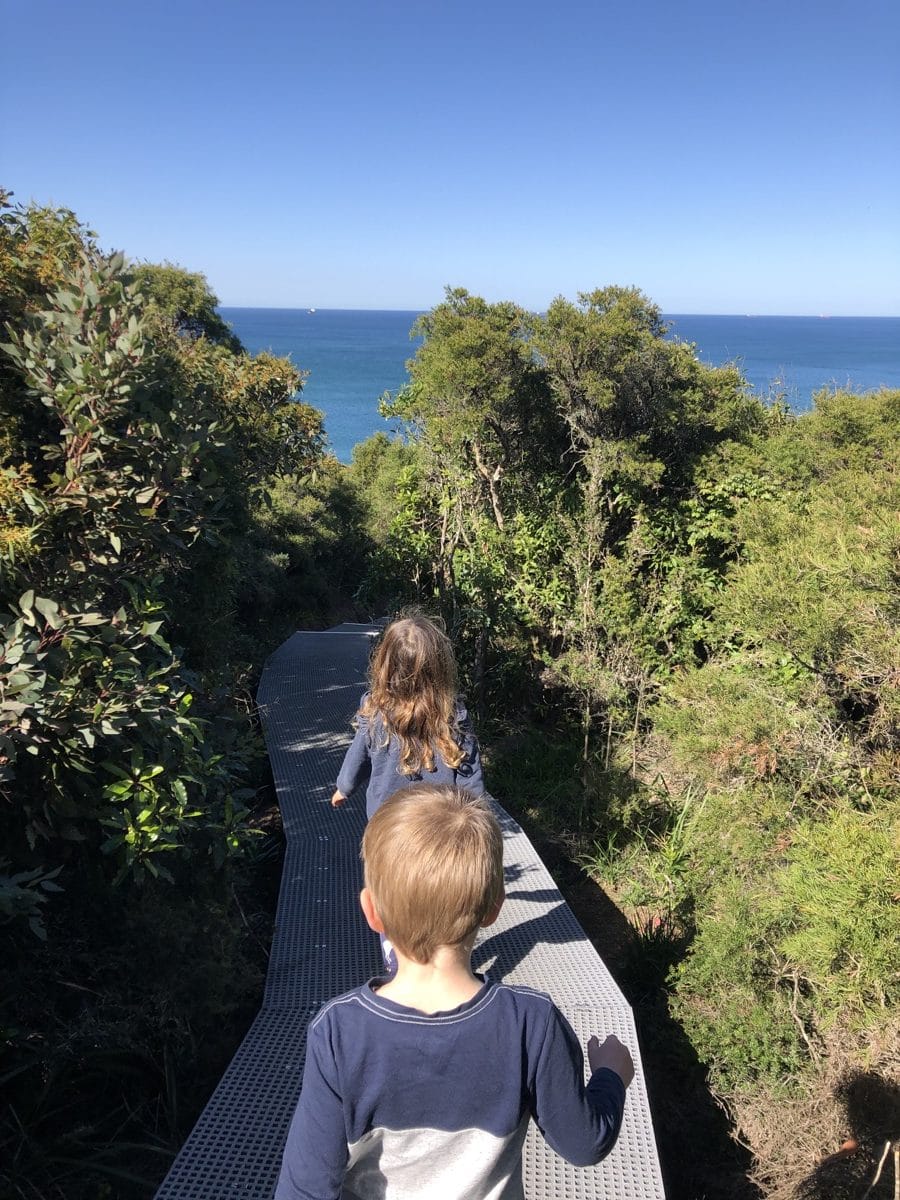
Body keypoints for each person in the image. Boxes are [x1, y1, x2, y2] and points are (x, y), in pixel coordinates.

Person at [275, 785, 634, 1200]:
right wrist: (610, 1074)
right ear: (494, 907)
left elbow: (304, 1188)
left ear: (371, 911)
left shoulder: (339, 1031)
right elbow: (585, 1143)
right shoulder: (531, 1022)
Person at [330, 613, 484, 820]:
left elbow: (358, 758)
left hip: (387, 823)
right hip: (439, 825)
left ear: (385, 665)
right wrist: (477, 818)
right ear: (440, 668)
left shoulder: (375, 710)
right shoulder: (454, 715)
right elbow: (469, 775)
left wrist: (344, 788)